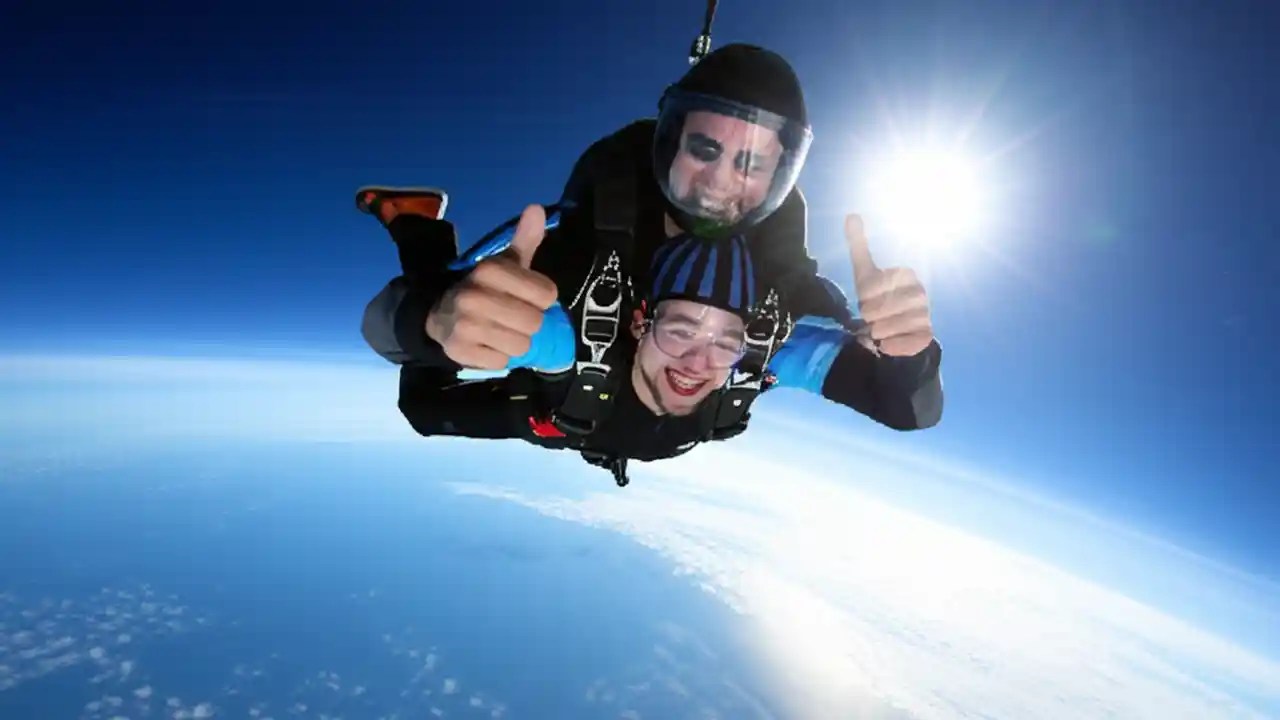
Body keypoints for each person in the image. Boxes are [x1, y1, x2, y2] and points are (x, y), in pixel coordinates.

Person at [359, 188, 943, 486]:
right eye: (682, 326)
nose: (699, 359)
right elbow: (386, 329)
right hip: (556, 415)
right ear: (640, 321)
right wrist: (434, 322)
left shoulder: (756, 358)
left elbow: (907, 410)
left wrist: (909, 354)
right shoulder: (569, 343)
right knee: (423, 405)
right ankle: (420, 226)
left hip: (586, 427)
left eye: (726, 338)